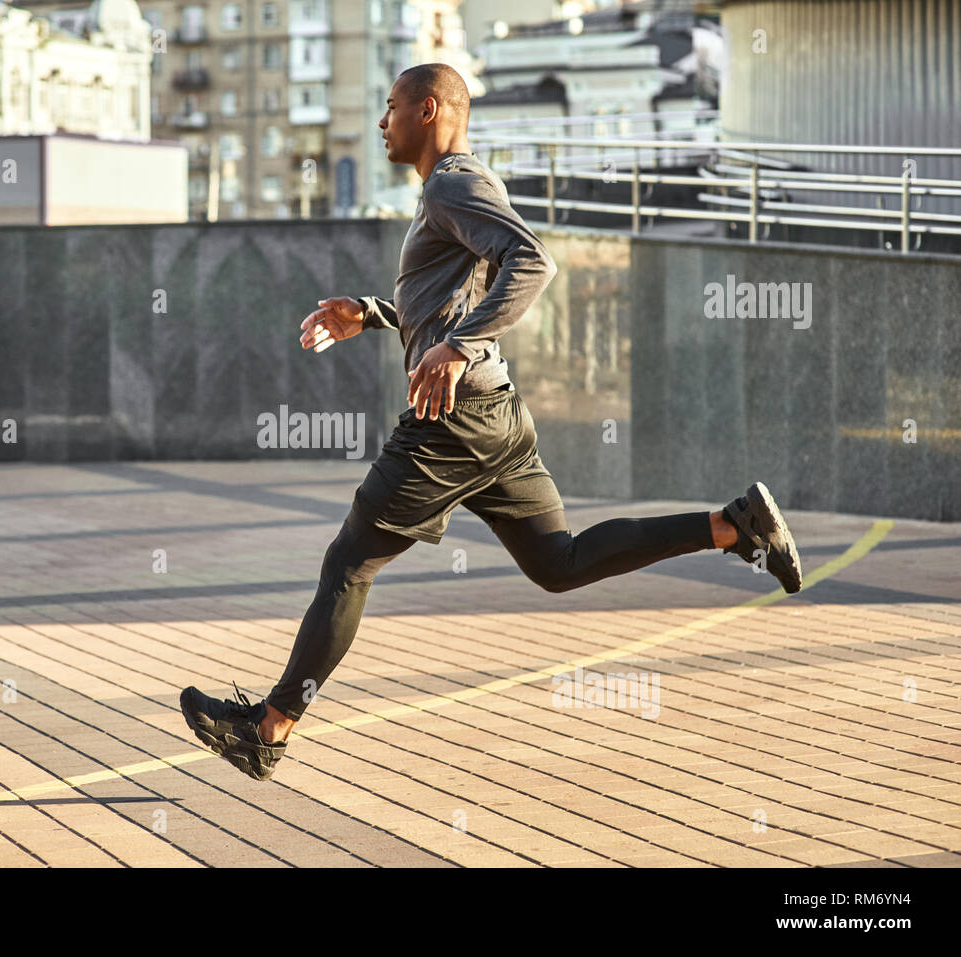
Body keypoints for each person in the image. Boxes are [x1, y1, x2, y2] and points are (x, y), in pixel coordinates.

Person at [180, 63, 801, 782]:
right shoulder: (444, 190)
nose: (382, 122)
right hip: (495, 414)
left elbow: (532, 263)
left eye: (391, 108)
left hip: (452, 421)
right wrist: (372, 310)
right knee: (558, 562)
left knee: (349, 564)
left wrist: (457, 345)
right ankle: (736, 526)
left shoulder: (451, 182)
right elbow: (454, 293)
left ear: (429, 108)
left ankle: (269, 728)